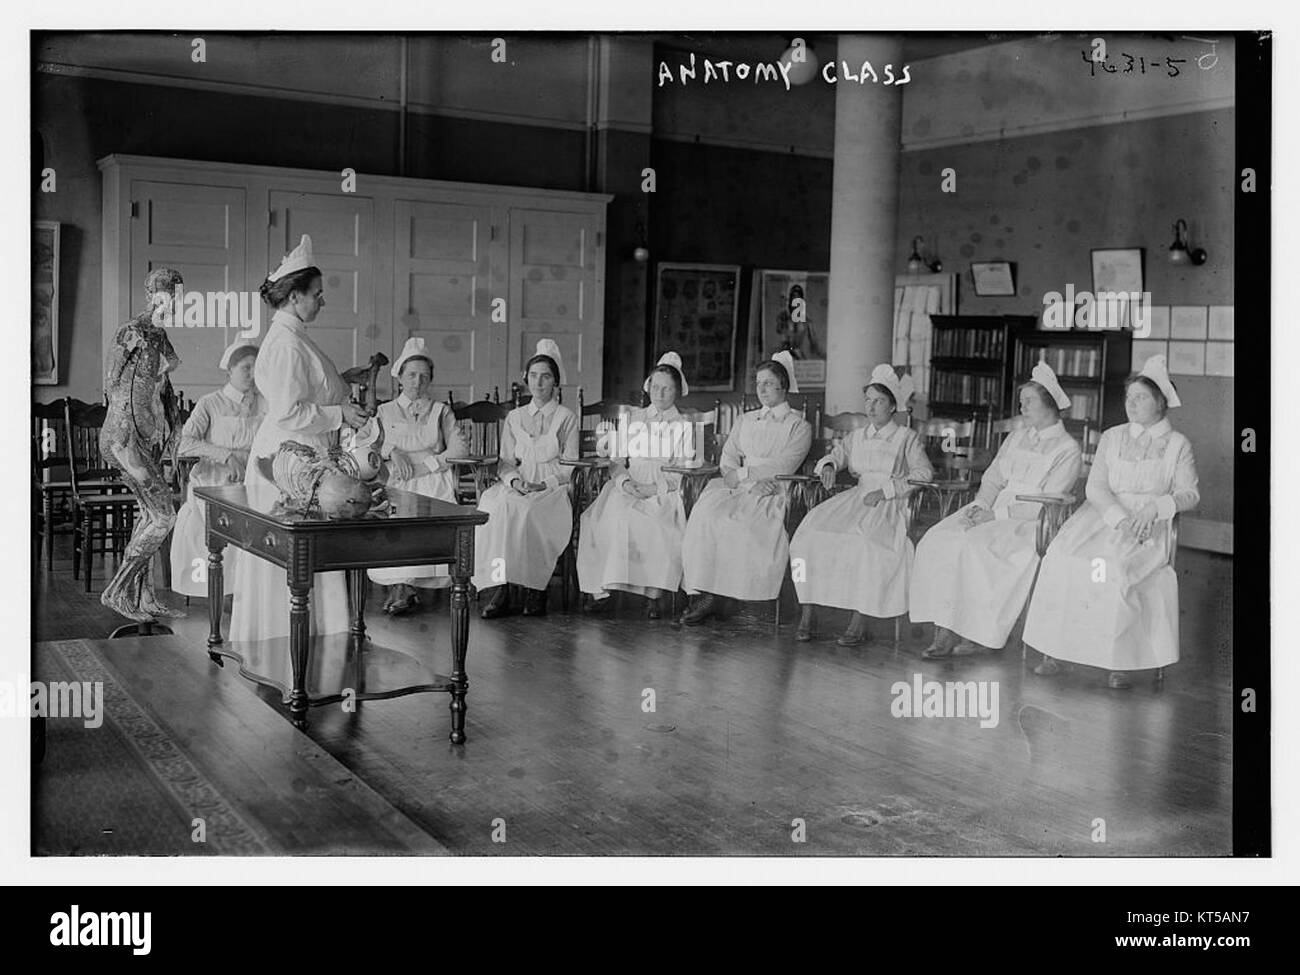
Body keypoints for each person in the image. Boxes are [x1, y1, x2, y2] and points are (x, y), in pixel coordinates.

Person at [1023, 355, 1200, 688]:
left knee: (1112, 568)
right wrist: (1118, 518)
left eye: (1140, 398)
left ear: (1160, 402)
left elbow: (1189, 494)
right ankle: (1057, 650)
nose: (1131, 404)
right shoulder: (1112, 436)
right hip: (1103, 516)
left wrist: (1156, 508)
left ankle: (1119, 659)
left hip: (1148, 528)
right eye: (1128, 397)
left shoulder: (1178, 445)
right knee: (1063, 558)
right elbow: (1096, 486)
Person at [229, 235, 370, 643]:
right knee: (294, 556)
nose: (322, 301)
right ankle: (285, 645)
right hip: (290, 462)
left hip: (301, 456)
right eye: (317, 294)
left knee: (302, 557)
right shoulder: (287, 344)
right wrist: (340, 411)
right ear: (293, 296)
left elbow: (303, 392)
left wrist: (343, 382)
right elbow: (289, 411)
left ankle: (311, 644)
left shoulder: (293, 336)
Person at [910, 362, 1082, 658]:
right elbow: (992, 479)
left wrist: (997, 516)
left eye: (1028, 401)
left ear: (1050, 405)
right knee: (940, 537)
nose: (1022, 407)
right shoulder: (1016, 437)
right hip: (995, 510)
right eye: (1021, 401)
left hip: (1031, 522)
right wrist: (980, 506)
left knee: (972, 545)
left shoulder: (1067, 449)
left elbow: (1049, 502)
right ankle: (946, 624)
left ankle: (969, 633)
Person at [789, 364, 933, 646]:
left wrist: (888, 490)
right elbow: (837, 455)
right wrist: (829, 465)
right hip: (857, 496)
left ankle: (860, 616)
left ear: (893, 407)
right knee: (808, 535)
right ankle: (808, 609)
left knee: (864, 542)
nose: (872, 406)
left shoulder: (906, 437)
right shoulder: (858, 436)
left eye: (879, 401)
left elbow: (924, 473)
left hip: (889, 502)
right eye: (868, 400)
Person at [679, 351, 812, 625]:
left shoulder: (798, 426)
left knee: (742, 525)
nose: (761, 389)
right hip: (741, 486)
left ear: (783, 387)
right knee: (706, 517)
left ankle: (734, 594)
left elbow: (784, 465)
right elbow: (728, 456)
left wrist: (744, 475)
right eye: (758, 383)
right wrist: (741, 478)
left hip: (774, 489)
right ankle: (708, 593)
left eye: (768, 383)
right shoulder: (746, 420)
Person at [576, 352, 693, 619]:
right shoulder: (634, 417)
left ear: (677, 391)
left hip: (663, 487)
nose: (660, 393)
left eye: (667, 388)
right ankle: (603, 589)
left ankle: (652, 593)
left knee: (651, 521)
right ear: (648, 386)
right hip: (629, 483)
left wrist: (653, 490)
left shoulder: (683, 425)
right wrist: (626, 483)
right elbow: (616, 461)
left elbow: (681, 471)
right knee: (602, 518)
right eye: (655, 386)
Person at [99, 267, 184, 623]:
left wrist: (172, 431)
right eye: (169, 296)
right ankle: (117, 590)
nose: (176, 303)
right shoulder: (133, 332)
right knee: (165, 514)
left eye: (178, 296)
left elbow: (161, 392)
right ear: (152, 295)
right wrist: (135, 435)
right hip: (124, 438)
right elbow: (114, 387)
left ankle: (144, 597)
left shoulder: (159, 338)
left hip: (143, 438)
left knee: (149, 514)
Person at [472, 339, 579, 618]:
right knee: (495, 505)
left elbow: (569, 467)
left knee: (530, 510)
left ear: (556, 382)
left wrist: (543, 485)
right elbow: (505, 462)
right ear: (525, 379)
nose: (539, 383)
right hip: (520, 482)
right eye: (533, 376)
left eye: (546, 376)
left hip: (553, 487)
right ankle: (502, 586)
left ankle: (536, 588)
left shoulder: (567, 417)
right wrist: (515, 482)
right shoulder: (515, 417)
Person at [367, 336, 468, 614]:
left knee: (427, 509)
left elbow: (459, 447)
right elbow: (365, 442)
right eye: (411, 375)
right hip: (396, 478)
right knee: (395, 513)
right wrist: (390, 451)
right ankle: (401, 584)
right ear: (400, 378)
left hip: (433, 478)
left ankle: (409, 585)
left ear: (430, 380)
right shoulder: (385, 411)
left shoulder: (440, 411)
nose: (417, 382)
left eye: (424, 376)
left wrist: (430, 465)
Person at [169, 342, 266, 599]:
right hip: (213, 481)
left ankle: (251, 593)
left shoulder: (265, 404)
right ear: (229, 371)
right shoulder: (210, 403)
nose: (252, 374)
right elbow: (183, 443)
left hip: (252, 478)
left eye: (257, 368)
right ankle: (219, 588)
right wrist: (226, 456)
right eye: (246, 368)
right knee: (220, 525)